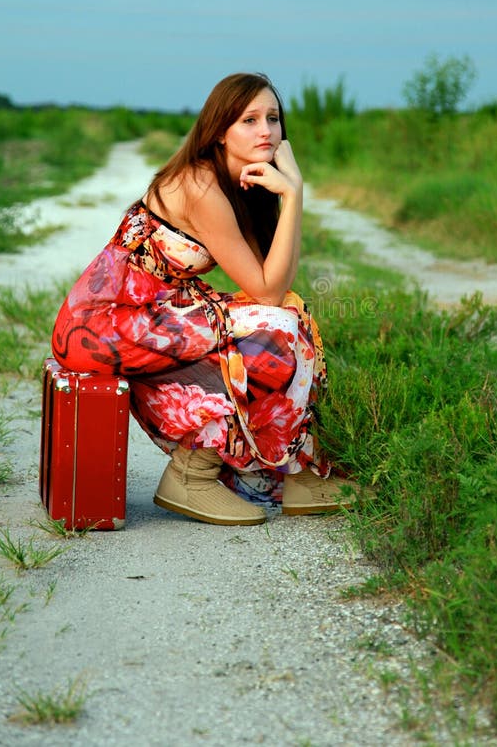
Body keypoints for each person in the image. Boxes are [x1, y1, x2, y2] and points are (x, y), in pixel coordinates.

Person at [52, 72, 351, 526]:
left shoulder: (237, 184)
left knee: (289, 312)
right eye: (249, 120)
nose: (266, 131)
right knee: (276, 325)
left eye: (273, 118)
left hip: (157, 314)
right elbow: (265, 289)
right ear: (218, 132)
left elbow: (273, 281)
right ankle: (192, 476)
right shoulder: (201, 187)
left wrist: (286, 194)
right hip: (104, 323)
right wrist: (295, 194)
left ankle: (300, 473)